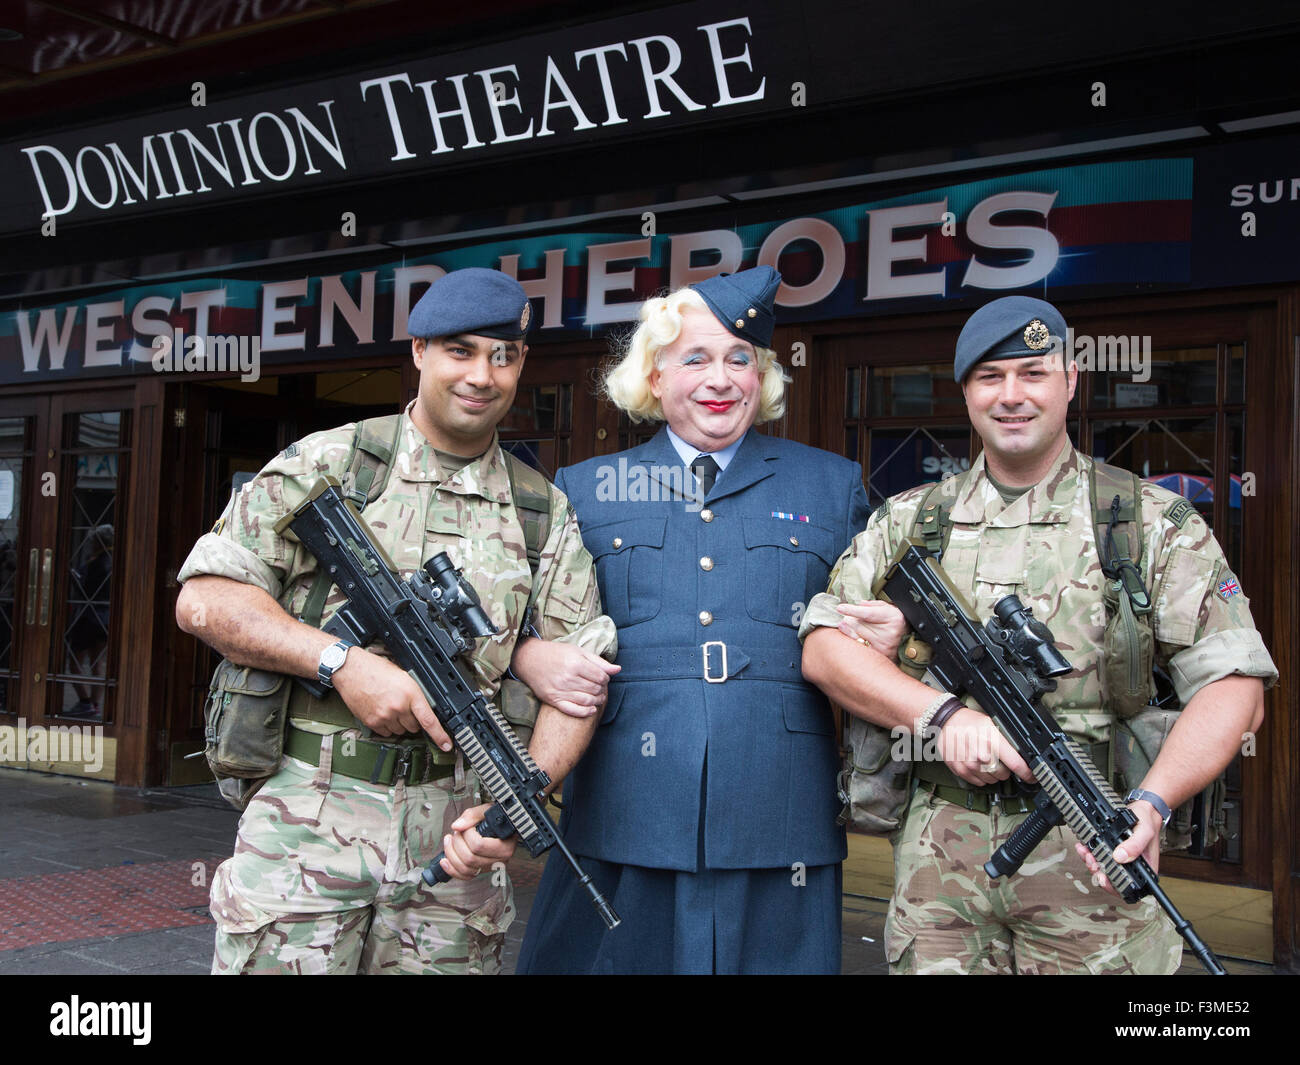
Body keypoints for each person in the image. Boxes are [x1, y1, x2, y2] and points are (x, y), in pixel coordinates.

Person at [800, 295, 1276, 975]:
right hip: (940, 864)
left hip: (1095, 855)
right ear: (965, 391)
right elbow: (822, 646)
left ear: (1071, 381)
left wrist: (1153, 801)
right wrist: (940, 714)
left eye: (1033, 373)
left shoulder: (1147, 522)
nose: (1011, 395)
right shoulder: (910, 519)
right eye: (990, 377)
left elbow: (1235, 684)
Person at [175, 267, 617, 975]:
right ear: (418, 352)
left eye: (503, 355)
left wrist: (511, 811)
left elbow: (579, 683)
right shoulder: (332, 463)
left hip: (453, 848)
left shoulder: (542, 512)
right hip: (303, 830)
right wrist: (341, 663)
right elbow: (204, 597)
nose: (482, 374)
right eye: (460, 350)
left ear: (521, 365)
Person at [516, 266, 871, 974]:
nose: (721, 378)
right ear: (653, 378)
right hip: (625, 809)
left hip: (780, 813)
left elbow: (876, 629)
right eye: (696, 358)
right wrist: (529, 656)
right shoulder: (585, 490)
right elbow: (521, 627)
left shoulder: (831, 484)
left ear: (762, 377)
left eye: (741, 359)